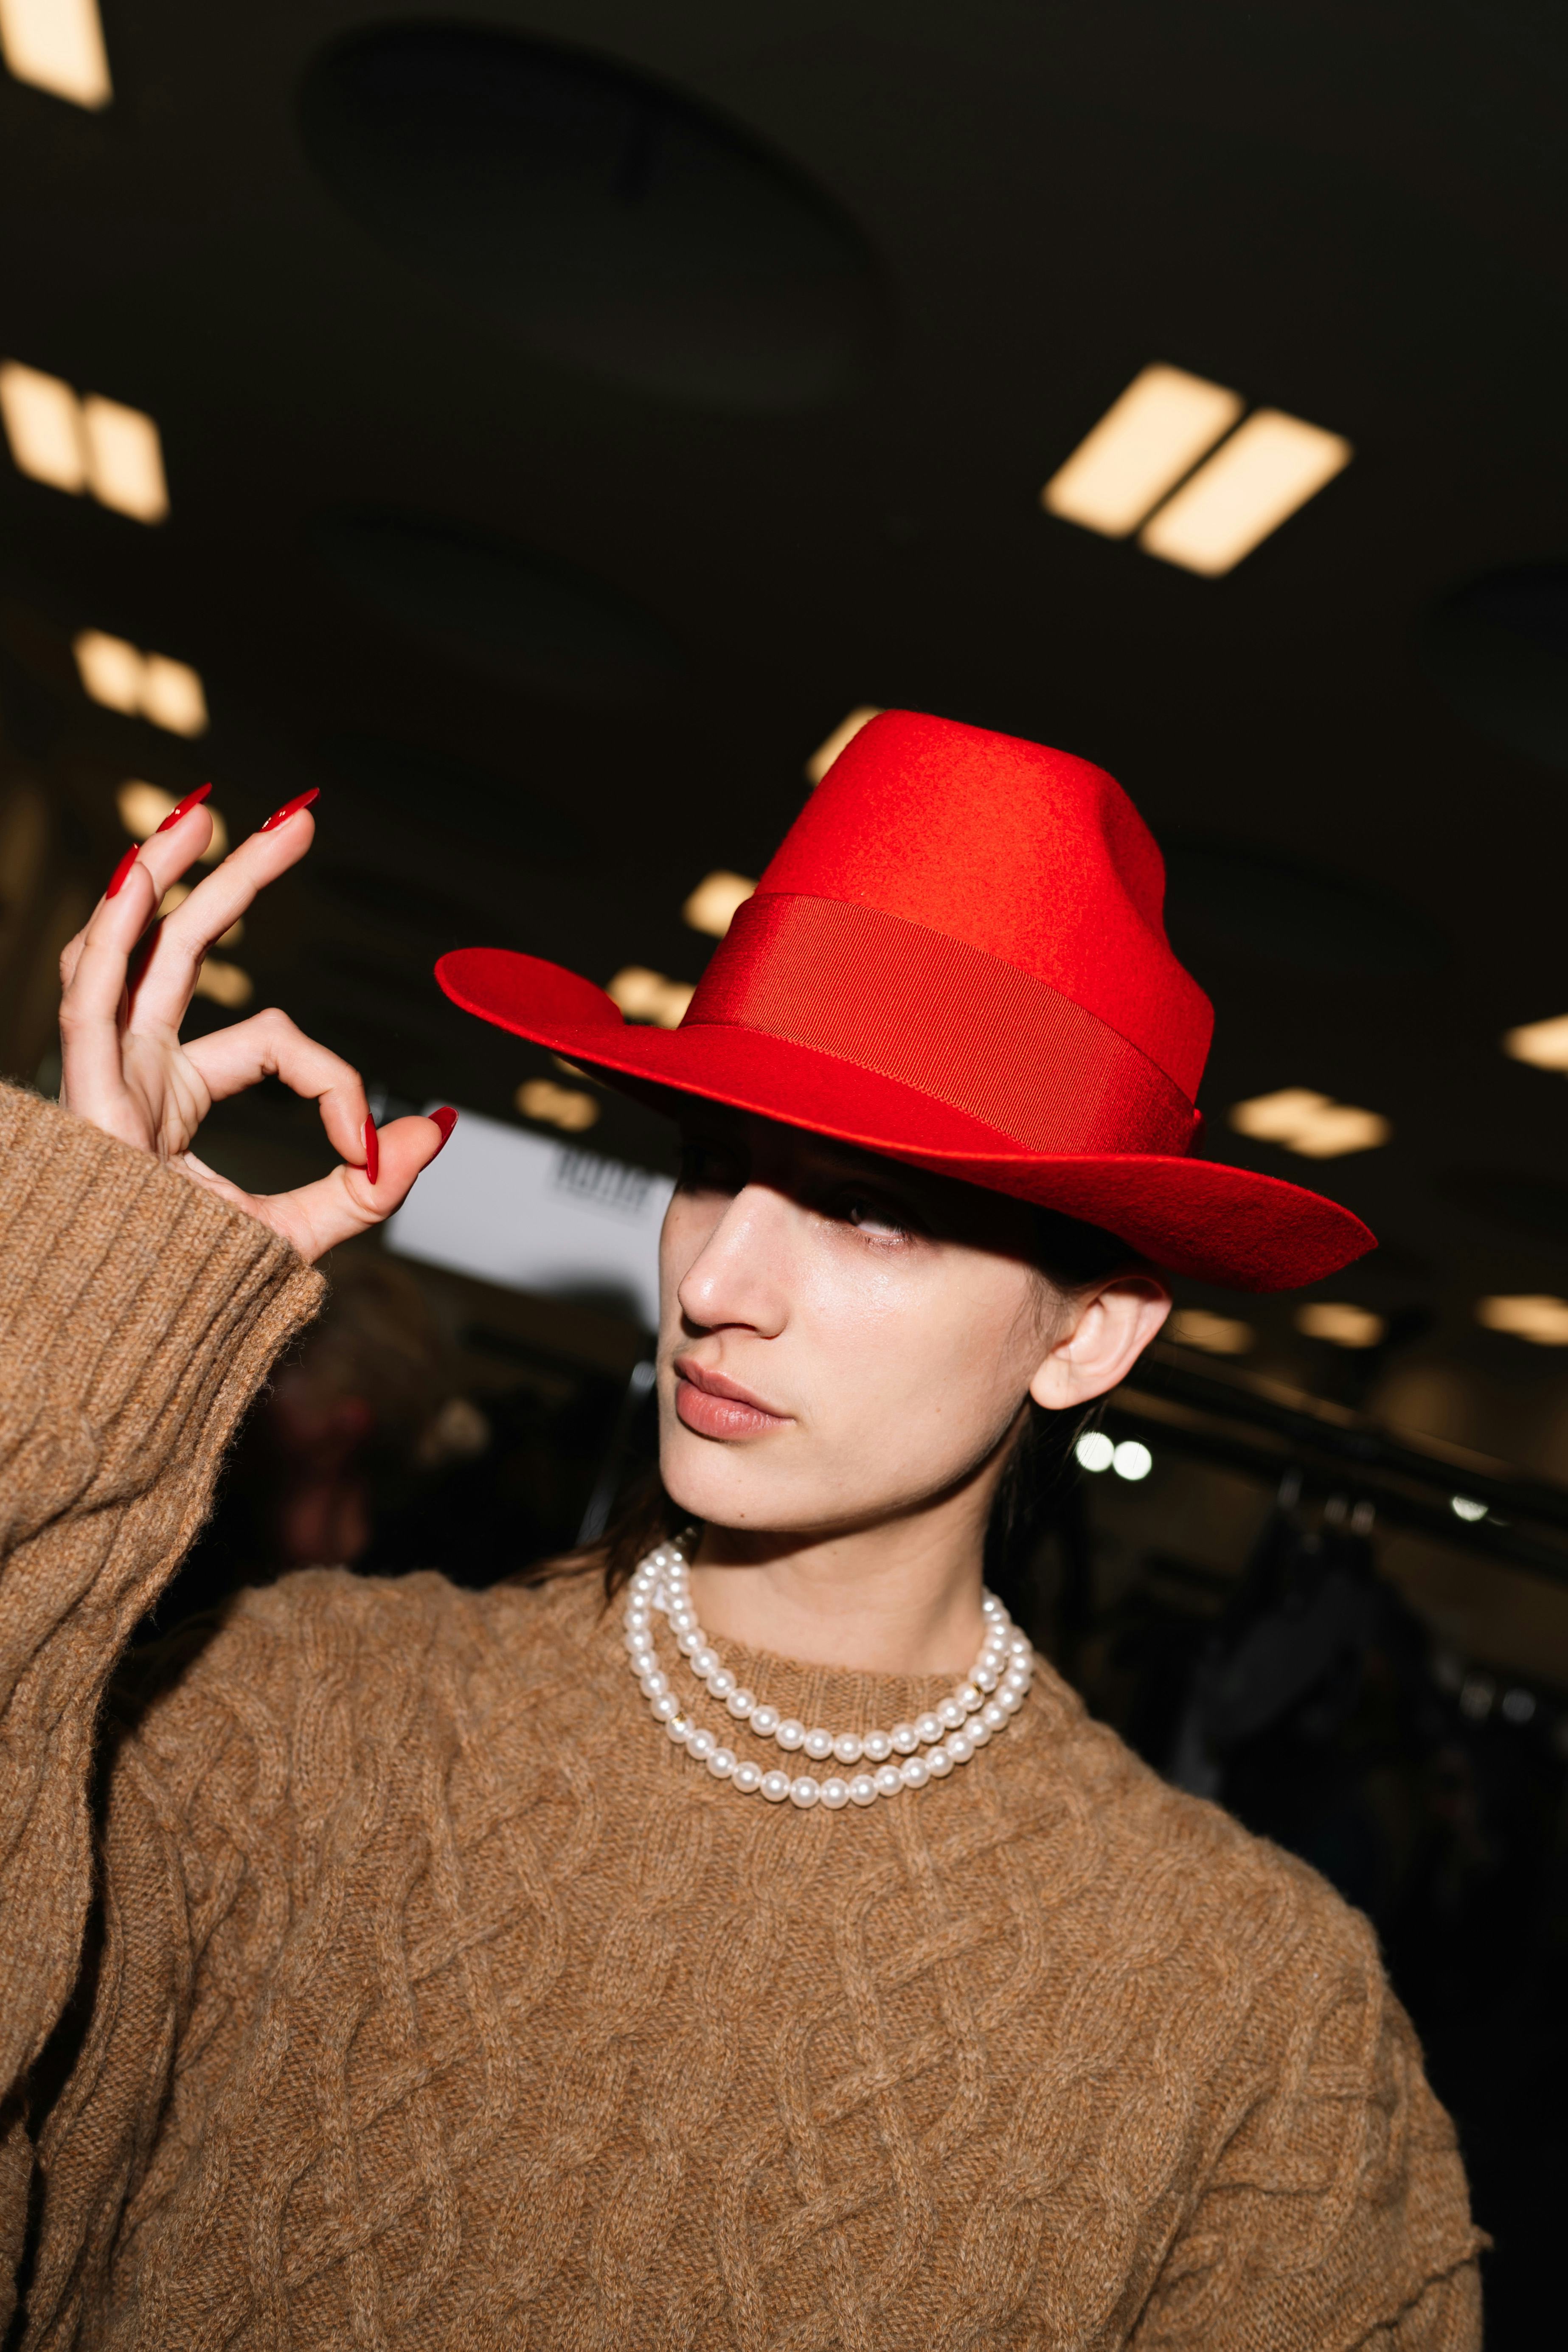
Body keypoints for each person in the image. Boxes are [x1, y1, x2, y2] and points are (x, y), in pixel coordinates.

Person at [0, 717, 1480, 2348]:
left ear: (1094, 1332)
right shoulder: (292, 1712)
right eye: (714, 1170)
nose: (711, 1285)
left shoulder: (1255, 2029)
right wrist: (64, 1354)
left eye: (868, 1209)